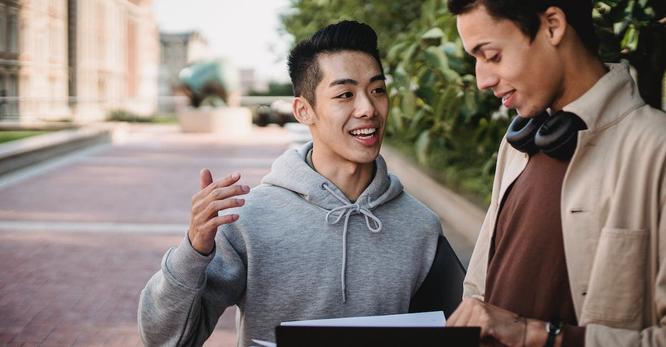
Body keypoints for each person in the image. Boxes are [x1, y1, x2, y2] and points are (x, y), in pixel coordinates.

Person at [138, 20, 462, 347]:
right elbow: (164, 339)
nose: (368, 109)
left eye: (377, 90)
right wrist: (193, 249)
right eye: (345, 94)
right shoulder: (247, 220)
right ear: (303, 110)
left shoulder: (420, 226)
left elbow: (456, 329)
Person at [445, 0, 666, 346]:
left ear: (552, 25)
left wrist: (538, 336)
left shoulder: (656, 149)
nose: (482, 80)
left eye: (492, 55)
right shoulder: (518, 144)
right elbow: (477, 292)